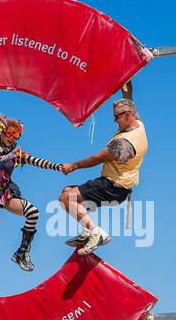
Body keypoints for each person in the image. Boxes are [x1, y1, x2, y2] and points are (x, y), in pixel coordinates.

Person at [0, 93, 66, 293]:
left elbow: (39, 162)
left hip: (6, 195)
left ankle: (22, 252)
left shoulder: (18, 153)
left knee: (33, 212)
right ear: (3, 130)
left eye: (16, 136)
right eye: (9, 134)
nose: (10, 138)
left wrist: (58, 167)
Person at [58, 91, 148, 255]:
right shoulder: (138, 123)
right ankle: (86, 232)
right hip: (117, 187)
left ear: (128, 116)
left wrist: (73, 166)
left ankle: (96, 233)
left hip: (112, 187)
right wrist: (125, 75)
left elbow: (96, 158)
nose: (115, 121)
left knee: (65, 198)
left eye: (117, 118)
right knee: (67, 192)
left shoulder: (124, 144)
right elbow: (128, 96)